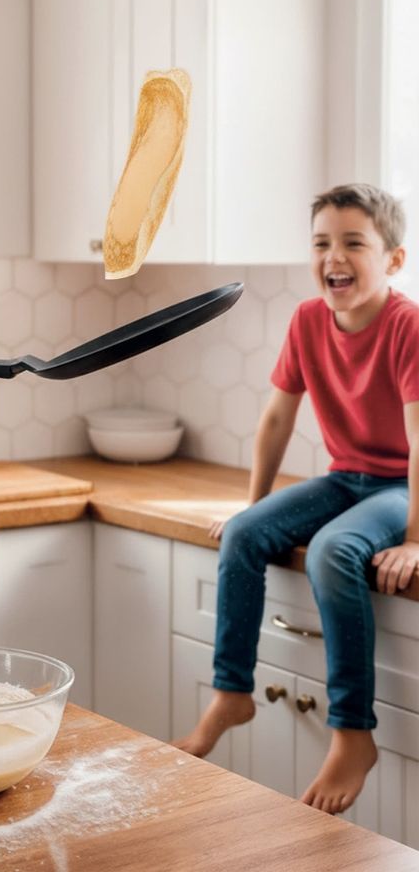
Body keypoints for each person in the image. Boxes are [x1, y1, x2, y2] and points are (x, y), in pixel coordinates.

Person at [173, 183, 419, 815]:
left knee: (333, 550)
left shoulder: (407, 326)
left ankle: (353, 733)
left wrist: (416, 540)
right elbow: (277, 419)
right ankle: (232, 693)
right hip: (346, 476)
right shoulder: (308, 321)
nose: (333, 256)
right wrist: (253, 508)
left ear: (393, 259)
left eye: (353, 243)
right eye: (321, 243)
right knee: (243, 533)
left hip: (400, 485)